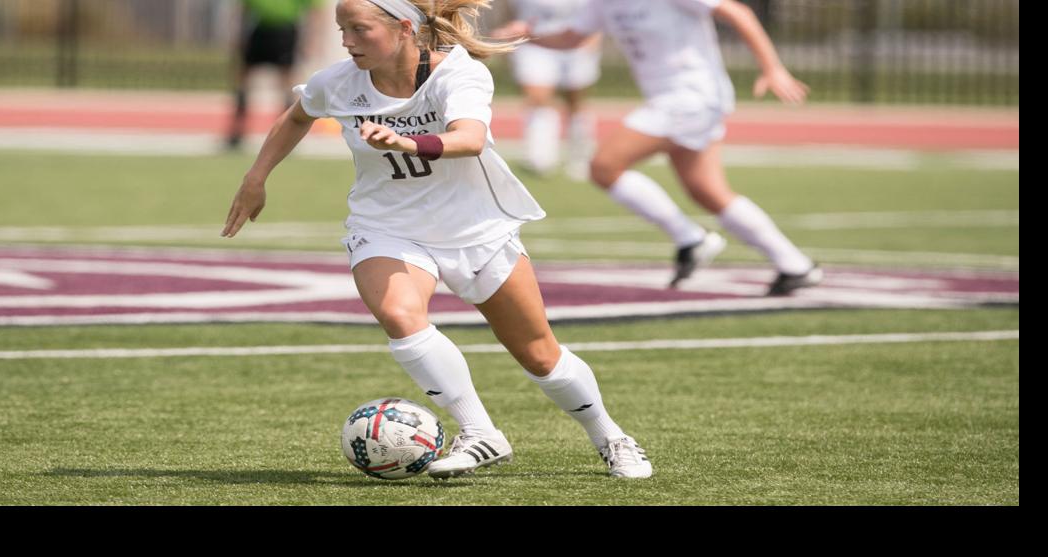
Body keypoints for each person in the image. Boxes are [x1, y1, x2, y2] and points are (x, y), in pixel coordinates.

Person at [221, 0, 654, 479]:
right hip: (387, 226)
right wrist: (256, 177)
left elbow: (469, 138)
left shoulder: (459, 74)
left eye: (359, 30)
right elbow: (297, 115)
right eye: (342, 29)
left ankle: (611, 436)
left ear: (404, 28)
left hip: (475, 228)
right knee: (399, 314)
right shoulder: (337, 81)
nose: (347, 41)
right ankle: (481, 433)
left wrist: (408, 142)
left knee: (539, 354)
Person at [504, 0, 821, 295]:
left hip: (691, 97)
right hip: (674, 101)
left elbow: (739, 13)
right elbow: (572, 38)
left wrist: (772, 69)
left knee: (604, 166)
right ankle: (796, 265)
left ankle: (691, 238)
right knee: (707, 191)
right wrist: (529, 36)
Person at [491, 0, 603, 178]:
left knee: (574, 100)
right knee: (537, 97)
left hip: (577, 42)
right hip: (534, 42)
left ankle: (580, 155)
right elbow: (508, 10)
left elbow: (597, 9)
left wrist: (595, 34)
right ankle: (541, 157)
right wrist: (506, 30)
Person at [227, 0, 319, 151]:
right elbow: (242, 8)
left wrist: (312, 40)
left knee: (288, 83)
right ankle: (237, 131)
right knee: (242, 78)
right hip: (260, 29)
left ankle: (287, 135)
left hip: (286, 30)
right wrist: (237, 36)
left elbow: (315, 11)